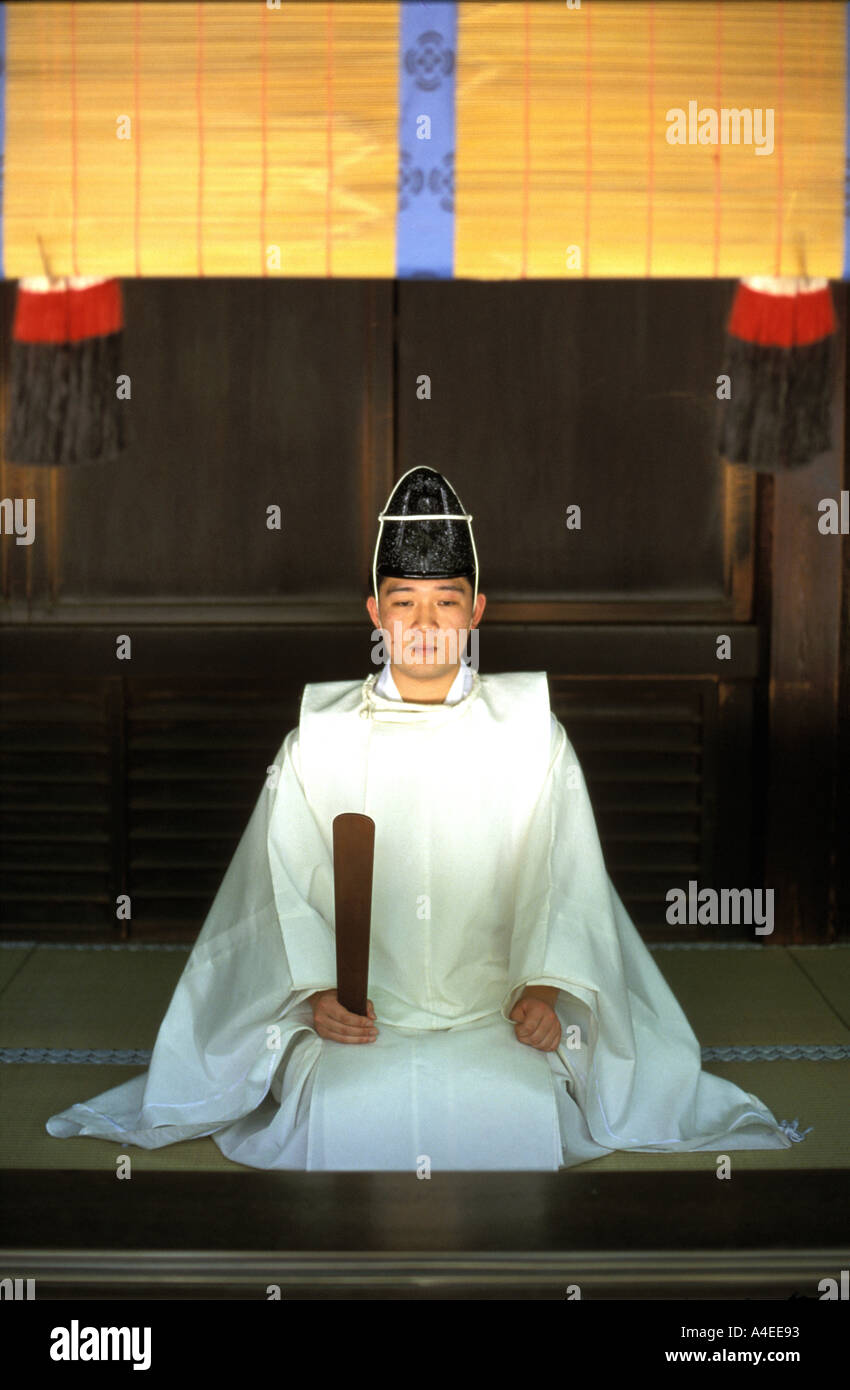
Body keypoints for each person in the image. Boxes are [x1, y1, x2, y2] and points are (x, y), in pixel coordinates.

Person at [46, 466, 811, 1170]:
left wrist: (546, 994)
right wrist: (313, 999)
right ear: (374, 611)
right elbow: (276, 889)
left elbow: (566, 879)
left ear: (476, 609)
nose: (424, 623)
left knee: (512, 1114)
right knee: (347, 1115)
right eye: (403, 602)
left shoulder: (530, 734)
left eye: (446, 601)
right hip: (361, 1019)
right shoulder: (320, 738)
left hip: (496, 1014)